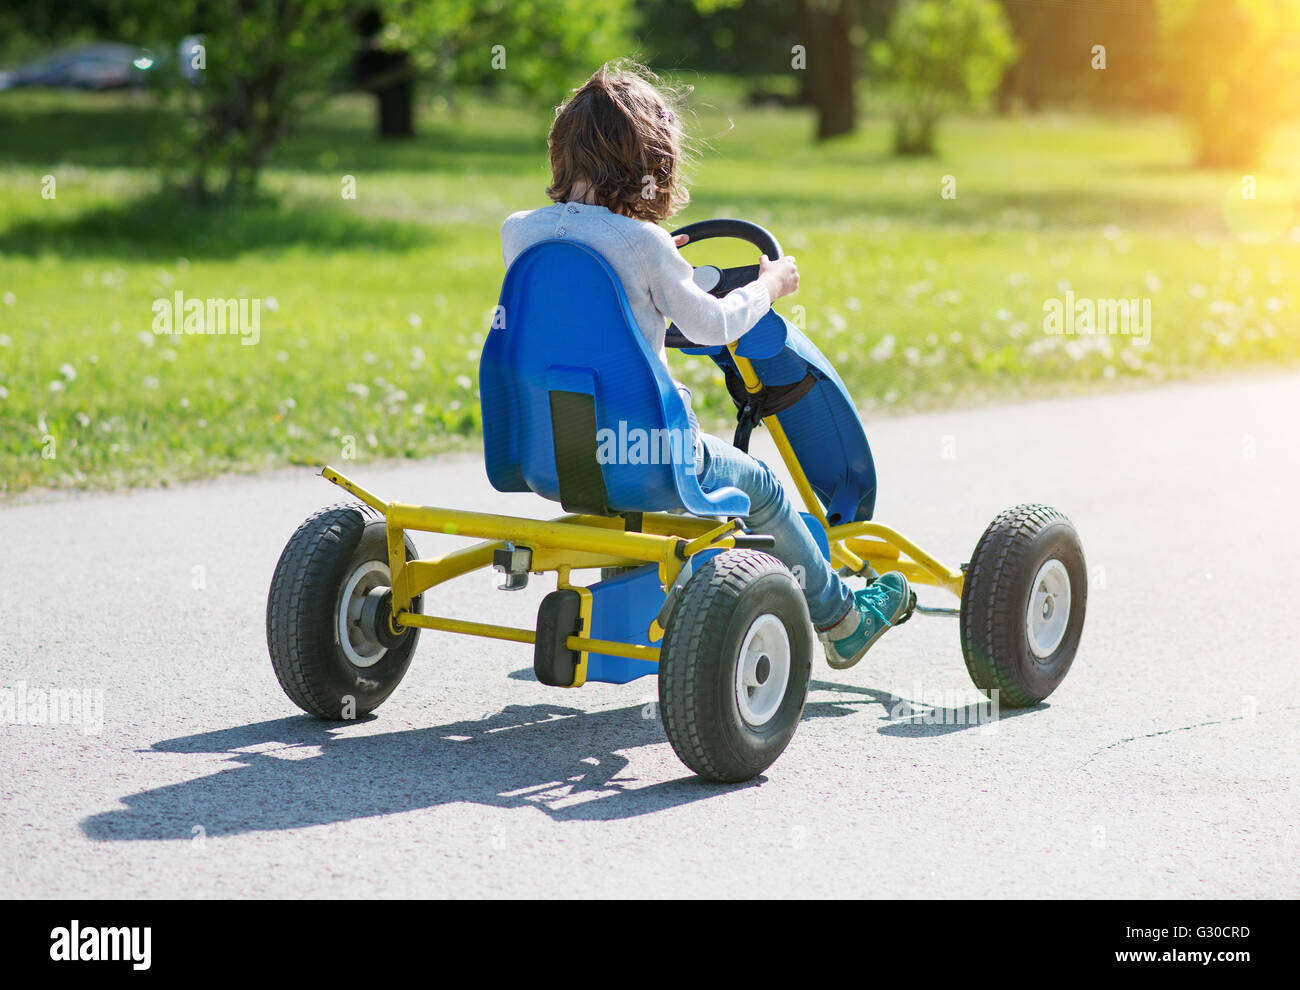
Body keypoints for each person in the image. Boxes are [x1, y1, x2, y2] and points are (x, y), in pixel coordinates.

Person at [500, 61, 910, 669]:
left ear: (562, 152)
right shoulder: (645, 245)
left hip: (546, 453)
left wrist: (659, 268)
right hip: (649, 456)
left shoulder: (519, 233)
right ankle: (842, 617)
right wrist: (769, 285)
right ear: (651, 161)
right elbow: (709, 326)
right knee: (764, 489)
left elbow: (583, 301)